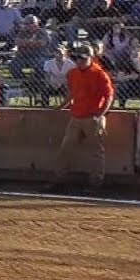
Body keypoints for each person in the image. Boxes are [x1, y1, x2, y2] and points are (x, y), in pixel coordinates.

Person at [51, 42, 114, 192]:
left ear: (91, 58)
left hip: (92, 117)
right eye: (77, 58)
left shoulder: (99, 74)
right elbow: (72, 93)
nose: (80, 61)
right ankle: (59, 180)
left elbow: (109, 96)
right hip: (76, 117)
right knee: (65, 148)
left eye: (83, 58)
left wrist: (100, 115)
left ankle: (95, 183)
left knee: (96, 152)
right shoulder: (73, 73)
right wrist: (61, 106)